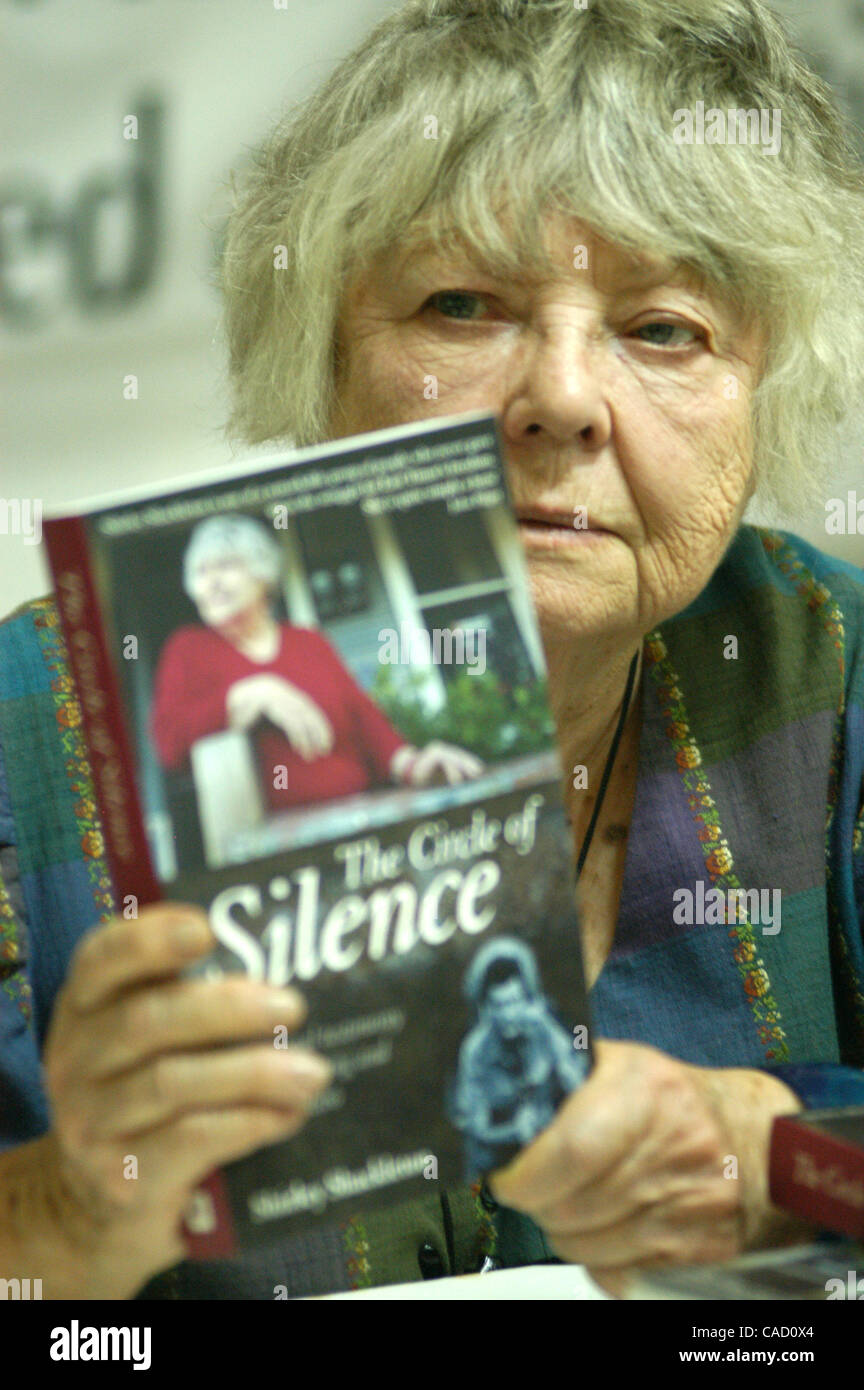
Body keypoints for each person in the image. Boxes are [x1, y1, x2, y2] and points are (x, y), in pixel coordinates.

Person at [1, 0, 864, 1299]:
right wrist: (59, 1212)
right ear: (325, 359)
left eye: (666, 327)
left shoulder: (838, 671)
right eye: (463, 305)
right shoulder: (34, 726)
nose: (564, 400)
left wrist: (792, 1165)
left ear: (764, 398)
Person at [150, 513, 483, 810]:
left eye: (226, 566)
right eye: (201, 571)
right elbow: (169, 743)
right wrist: (252, 694)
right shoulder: (189, 649)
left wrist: (413, 764)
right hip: (271, 840)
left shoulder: (308, 641)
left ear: (263, 574)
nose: (212, 583)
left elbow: (363, 718)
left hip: (358, 811)